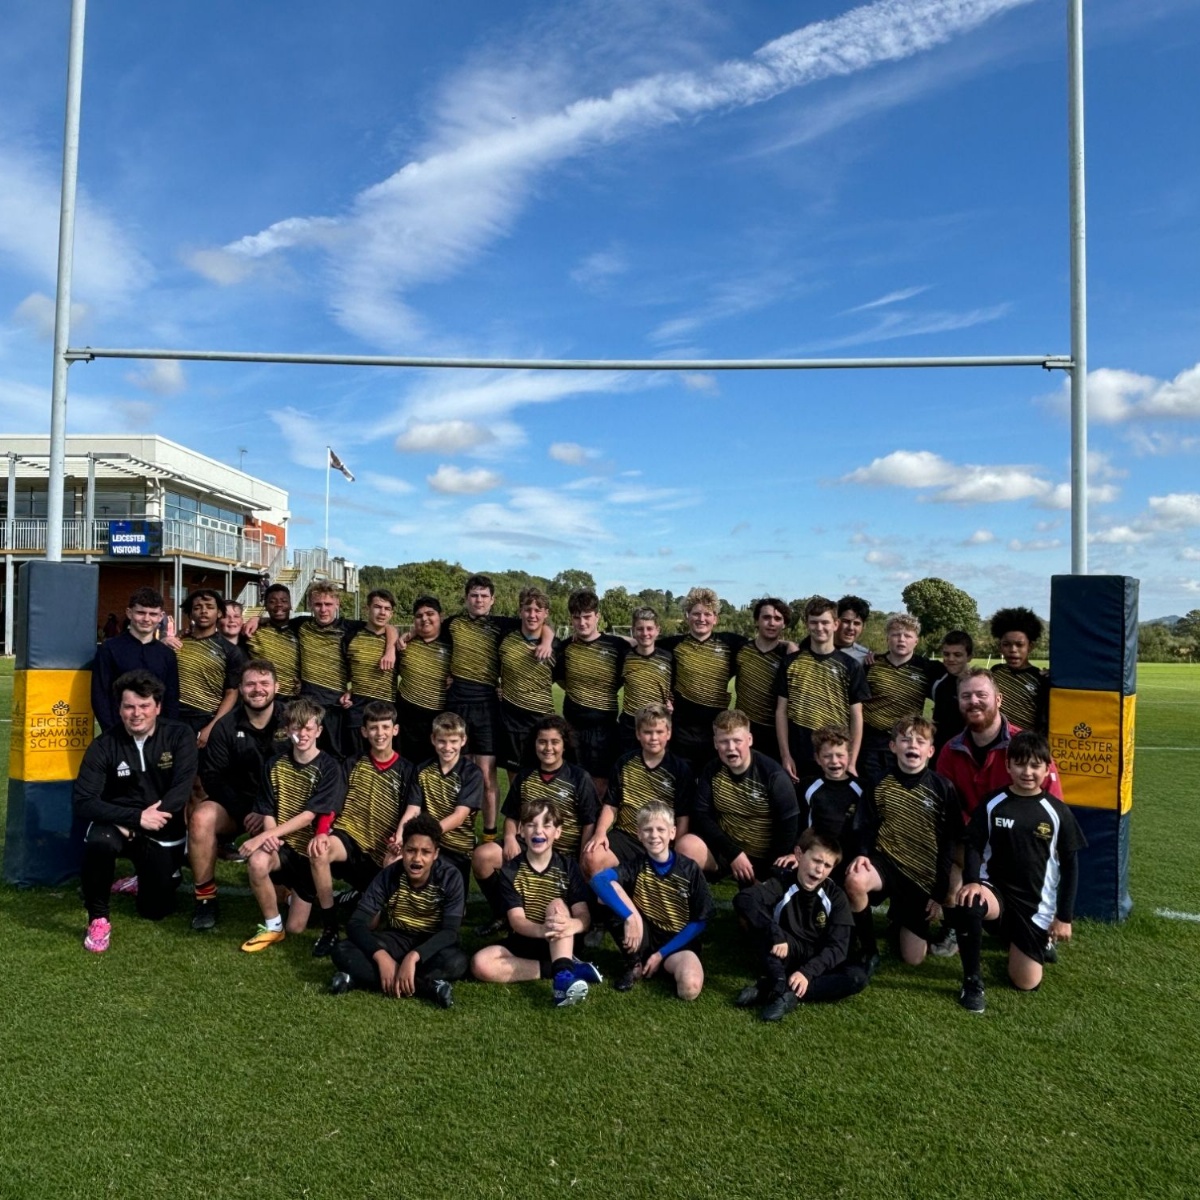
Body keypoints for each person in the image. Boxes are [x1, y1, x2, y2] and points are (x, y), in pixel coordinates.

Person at [954, 731, 1086, 1013]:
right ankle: (972, 982)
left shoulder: (1057, 812)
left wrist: (1064, 917)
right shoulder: (992, 804)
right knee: (969, 902)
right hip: (997, 894)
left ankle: (1032, 941)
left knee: (1025, 982)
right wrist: (973, 882)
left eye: (1035, 765)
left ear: (1047, 768)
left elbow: (1071, 866)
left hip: (1034, 905)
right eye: (1021, 764)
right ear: (1008, 765)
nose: (1027, 772)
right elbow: (974, 846)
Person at [73, 670, 197, 952]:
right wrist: (134, 818)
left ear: (158, 707)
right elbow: (83, 801)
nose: (136, 713)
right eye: (129, 706)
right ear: (119, 709)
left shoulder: (179, 735)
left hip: (161, 826)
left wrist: (149, 818)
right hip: (118, 824)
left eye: (144, 706)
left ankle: (142, 878)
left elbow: (181, 789)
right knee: (99, 842)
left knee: (156, 909)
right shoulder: (104, 745)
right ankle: (98, 917)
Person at [439, 574, 552, 839]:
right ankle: (462, 830)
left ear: (493, 600)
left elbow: (539, 623)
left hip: (488, 705)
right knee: (460, 771)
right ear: (466, 598)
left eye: (484, 596)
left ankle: (489, 834)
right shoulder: (453, 623)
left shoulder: (501, 625)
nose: (479, 600)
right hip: (456, 702)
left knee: (487, 774)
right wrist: (403, 637)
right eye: (474, 595)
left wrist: (546, 642)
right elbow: (427, 628)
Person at [844, 716, 961, 973]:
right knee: (855, 880)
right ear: (893, 746)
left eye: (921, 741)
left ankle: (900, 919)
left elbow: (948, 843)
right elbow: (864, 825)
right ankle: (868, 949)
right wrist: (862, 854)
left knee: (913, 958)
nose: (913, 746)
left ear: (930, 751)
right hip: (886, 863)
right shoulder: (878, 782)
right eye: (906, 739)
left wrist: (939, 893)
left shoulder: (943, 788)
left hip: (921, 875)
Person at [307, 700, 416, 956]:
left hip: (384, 850)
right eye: (374, 728)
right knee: (319, 852)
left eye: (385, 727)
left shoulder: (408, 770)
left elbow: (413, 810)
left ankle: (360, 896)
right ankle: (330, 928)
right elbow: (333, 803)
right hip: (350, 839)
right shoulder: (351, 763)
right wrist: (322, 832)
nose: (380, 733)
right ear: (364, 732)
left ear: (395, 730)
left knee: (370, 925)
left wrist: (400, 839)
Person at [189, 659, 291, 931]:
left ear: (277, 687)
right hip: (239, 808)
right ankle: (205, 898)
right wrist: (247, 812)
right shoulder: (225, 726)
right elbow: (212, 776)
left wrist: (268, 812)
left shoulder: (292, 720)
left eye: (264, 683)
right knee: (201, 817)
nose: (258, 689)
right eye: (251, 684)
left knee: (284, 900)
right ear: (241, 689)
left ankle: (296, 884)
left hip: (283, 810)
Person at [327, 813, 469, 1007]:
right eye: (411, 850)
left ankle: (357, 979)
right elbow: (356, 923)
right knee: (342, 950)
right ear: (402, 849)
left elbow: (450, 932)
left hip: (429, 943)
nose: (417, 859)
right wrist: (381, 957)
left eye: (425, 852)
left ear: (436, 853)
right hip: (395, 940)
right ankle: (430, 987)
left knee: (456, 961)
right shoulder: (390, 876)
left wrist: (414, 956)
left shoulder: (450, 877)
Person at [470, 798, 602, 1007]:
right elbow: (517, 921)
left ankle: (562, 980)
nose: (538, 831)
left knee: (557, 905)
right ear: (521, 831)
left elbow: (583, 915)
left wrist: (572, 925)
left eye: (546, 825)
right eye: (531, 824)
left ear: (558, 832)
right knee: (480, 964)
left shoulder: (568, 866)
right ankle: (562, 970)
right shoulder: (511, 870)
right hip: (528, 937)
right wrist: (543, 930)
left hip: (562, 940)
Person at [238, 698, 345, 952]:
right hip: (282, 848)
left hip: (308, 854)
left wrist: (261, 837)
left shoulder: (329, 767)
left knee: (297, 927)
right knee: (257, 861)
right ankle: (273, 927)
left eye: (309, 728)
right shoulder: (274, 764)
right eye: (297, 728)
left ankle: (309, 897)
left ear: (319, 731)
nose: (303, 734)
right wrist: (270, 837)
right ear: (287, 731)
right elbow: (267, 808)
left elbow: (310, 816)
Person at [474, 715, 598, 934]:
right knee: (483, 856)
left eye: (554, 742)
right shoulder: (525, 776)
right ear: (534, 744)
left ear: (564, 744)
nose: (548, 747)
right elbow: (512, 815)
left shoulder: (579, 778)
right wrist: (511, 838)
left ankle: (588, 921)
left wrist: (581, 859)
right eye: (542, 742)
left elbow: (589, 822)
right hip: (528, 847)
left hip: (563, 853)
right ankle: (503, 912)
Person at [732, 829, 868, 1021]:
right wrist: (775, 934)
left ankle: (776, 990)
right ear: (799, 855)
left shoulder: (835, 896)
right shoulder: (782, 882)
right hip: (786, 949)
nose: (820, 869)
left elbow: (838, 947)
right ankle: (780, 986)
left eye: (827, 865)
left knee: (857, 978)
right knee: (761, 932)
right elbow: (745, 899)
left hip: (818, 956)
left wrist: (807, 973)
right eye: (816, 861)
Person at [590, 800, 714, 998]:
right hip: (643, 936)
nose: (654, 835)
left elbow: (701, 920)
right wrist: (631, 916)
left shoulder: (689, 869)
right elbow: (598, 880)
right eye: (647, 830)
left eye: (660, 829)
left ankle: (659, 964)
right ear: (639, 834)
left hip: (677, 943)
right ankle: (634, 963)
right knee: (607, 893)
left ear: (672, 833)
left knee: (689, 989)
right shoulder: (636, 865)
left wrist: (661, 954)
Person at [676, 709, 799, 886]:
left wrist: (766, 874)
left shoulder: (773, 776)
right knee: (686, 846)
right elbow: (701, 813)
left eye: (737, 741)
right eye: (724, 742)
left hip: (764, 859)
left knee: (751, 908)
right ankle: (696, 896)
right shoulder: (712, 770)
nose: (731, 748)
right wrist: (733, 854)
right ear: (715, 743)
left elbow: (788, 828)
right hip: (728, 853)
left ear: (749, 740)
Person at [936, 668, 1064, 823]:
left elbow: (1054, 808)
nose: (973, 701)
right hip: (969, 840)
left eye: (981, 694)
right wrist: (978, 830)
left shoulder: (1029, 747)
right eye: (966, 696)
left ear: (998, 699)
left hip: (1021, 840)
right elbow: (946, 805)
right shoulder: (950, 751)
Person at [583, 703, 694, 875]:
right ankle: (606, 900)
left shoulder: (679, 769)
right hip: (627, 836)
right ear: (638, 734)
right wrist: (600, 833)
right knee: (592, 856)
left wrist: (676, 850)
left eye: (659, 732)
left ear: (669, 733)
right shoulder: (624, 763)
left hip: (660, 838)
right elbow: (611, 805)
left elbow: (682, 817)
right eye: (647, 732)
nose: (653, 738)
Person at [775, 596, 869, 783]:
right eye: (814, 622)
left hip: (835, 755)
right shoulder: (790, 663)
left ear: (836, 624)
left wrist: (852, 760)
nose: (819, 628)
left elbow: (857, 715)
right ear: (807, 624)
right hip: (799, 754)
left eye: (825, 622)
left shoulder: (851, 666)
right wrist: (786, 755)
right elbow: (781, 712)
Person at [657, 587, 745, 774]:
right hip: (683, 729)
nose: (701, 619)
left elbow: (763, 644)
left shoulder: (730, 643)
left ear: (716, 618)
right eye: (696, 613)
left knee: (713, 782)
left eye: (707, 614)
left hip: (717, 728)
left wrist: (790, 645)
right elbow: (641, 644)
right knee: (683, 781)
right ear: (687, 615)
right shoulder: (673, 645)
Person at [555, 587, 628, 800]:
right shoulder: (565, 647)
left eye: (587, 617)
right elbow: (558, 678)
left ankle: (597, 831)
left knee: (600, 784)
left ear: (598, 616)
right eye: (577, 618)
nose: (582, 623)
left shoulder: (617, 646)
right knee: (570, 782)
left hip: (604, 730)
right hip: (572, 727)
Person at [398, 711, 483, 894]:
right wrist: (400, 837)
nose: (447, 747)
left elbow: (459, 816)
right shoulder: (422, 770)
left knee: (453, 908)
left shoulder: (472, 773)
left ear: (463, 740)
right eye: (442, 741)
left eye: (453, 741)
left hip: (457, 848)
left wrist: (427, 834)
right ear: (433, 739)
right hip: (425, 846)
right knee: (393, 859)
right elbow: (412, 810)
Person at [859, 613, 944, 785]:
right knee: (870, 790)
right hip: (870, 743)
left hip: (906, 742)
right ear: (887, 638)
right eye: (896, 634)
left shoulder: (928, 668)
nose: (901, 639)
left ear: (916, 641)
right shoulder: (871, 665)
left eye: (907, 635)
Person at [90, 587, 179, 733]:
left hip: (157, 734)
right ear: (129, 613)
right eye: (141, 612)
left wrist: (165, 734)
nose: (146, 619)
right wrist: (113, 732)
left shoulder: (167, 654)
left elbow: (171, 698)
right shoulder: (109, 649)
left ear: (160, 616)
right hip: (117, 732)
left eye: (153, 614)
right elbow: (100, 695)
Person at [497, 586, 560, 776]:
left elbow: (564, 680)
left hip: (542, 722)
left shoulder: (557, 646)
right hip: (511, 722)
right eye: (527, 609)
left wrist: (547, 641)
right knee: (516, 781)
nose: (532, 615)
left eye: (538, 610)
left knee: (545, 780)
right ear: (520, 611)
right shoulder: (505, 637)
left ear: (546, 613)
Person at [172, 589, 245, 751]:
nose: (204, 611)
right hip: (174, 718)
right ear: (190, 614)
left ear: (219, 613)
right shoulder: (177, 644)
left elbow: (231, 693)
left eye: (209, 607)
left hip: (206, 719)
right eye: (197, 607)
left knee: (203, 774)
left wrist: (212, 726)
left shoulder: (231, 651)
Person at [733, 597, 797, 763]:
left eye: (778, 619)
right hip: (743, 729)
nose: (772, 623)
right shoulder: (741, 650)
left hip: (776, 733)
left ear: (784, 624)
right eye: (766, 617)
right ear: (756, 621)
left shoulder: (788, 655)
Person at [797, 724, 863, 882]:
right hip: (816, 859)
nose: (834, 761)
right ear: (818, 758)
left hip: (848, 860)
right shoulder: (808, 787)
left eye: (840, 755)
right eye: (827, 756)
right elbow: (799, 825)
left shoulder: (861, 789)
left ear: (849, 755)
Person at [343, 588, 401, 757]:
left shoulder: (398, 642)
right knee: (356, 759)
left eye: (387, 609)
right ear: (367, 608)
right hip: (357, 707)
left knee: (384, 759)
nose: (382, 612)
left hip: (387, 707)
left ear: (391, 613)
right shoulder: (351, 635)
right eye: (377, 607)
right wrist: (348, 690)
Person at [395, 595, 451, 762]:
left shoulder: (452, 644)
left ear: (440, 616)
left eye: (430, 614)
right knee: (405, 770)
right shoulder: (403, 645)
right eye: (419, 616)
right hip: (406, 719)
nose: (424, 619)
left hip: (437, 721)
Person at [617, 606, 674, 754]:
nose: (645, 633)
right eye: (640, 629)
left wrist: (672, 704)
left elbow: (676, 689)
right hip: (630, 727)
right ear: (633, 631)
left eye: (649, 629)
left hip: (658, 726)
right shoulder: (624, 657)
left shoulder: (668, 658)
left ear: (657, 630)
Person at [988, 607, 1050, 734]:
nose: (1013, 650)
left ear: (1030, 647)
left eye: (1019, 644)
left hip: (1023, 747)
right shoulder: (995, 673)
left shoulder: (1040, 679)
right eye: (1006, 644)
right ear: (1000, 647)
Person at [246, 583, 301, 701]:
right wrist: (257, 619)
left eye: (284, 601)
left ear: (290, 604)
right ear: (265, 605)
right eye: (272, 601)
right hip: (262, 696)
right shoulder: (253, 632)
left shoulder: (300, 629)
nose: (279, 605)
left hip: (294, 699)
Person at [931, 630, 973, 755]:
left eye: (957, 655)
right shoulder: (937, 677)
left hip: (967, 751)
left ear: (969, 657)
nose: (951, 659)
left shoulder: (978, 684)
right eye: (946, 654)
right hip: (939, 751)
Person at [834, 595, 871, 664]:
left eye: (856, 623)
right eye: (846, 621)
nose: (851, 628)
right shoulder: (815, 649)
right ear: (835, 622)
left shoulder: (867, 658)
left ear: (864, 626)